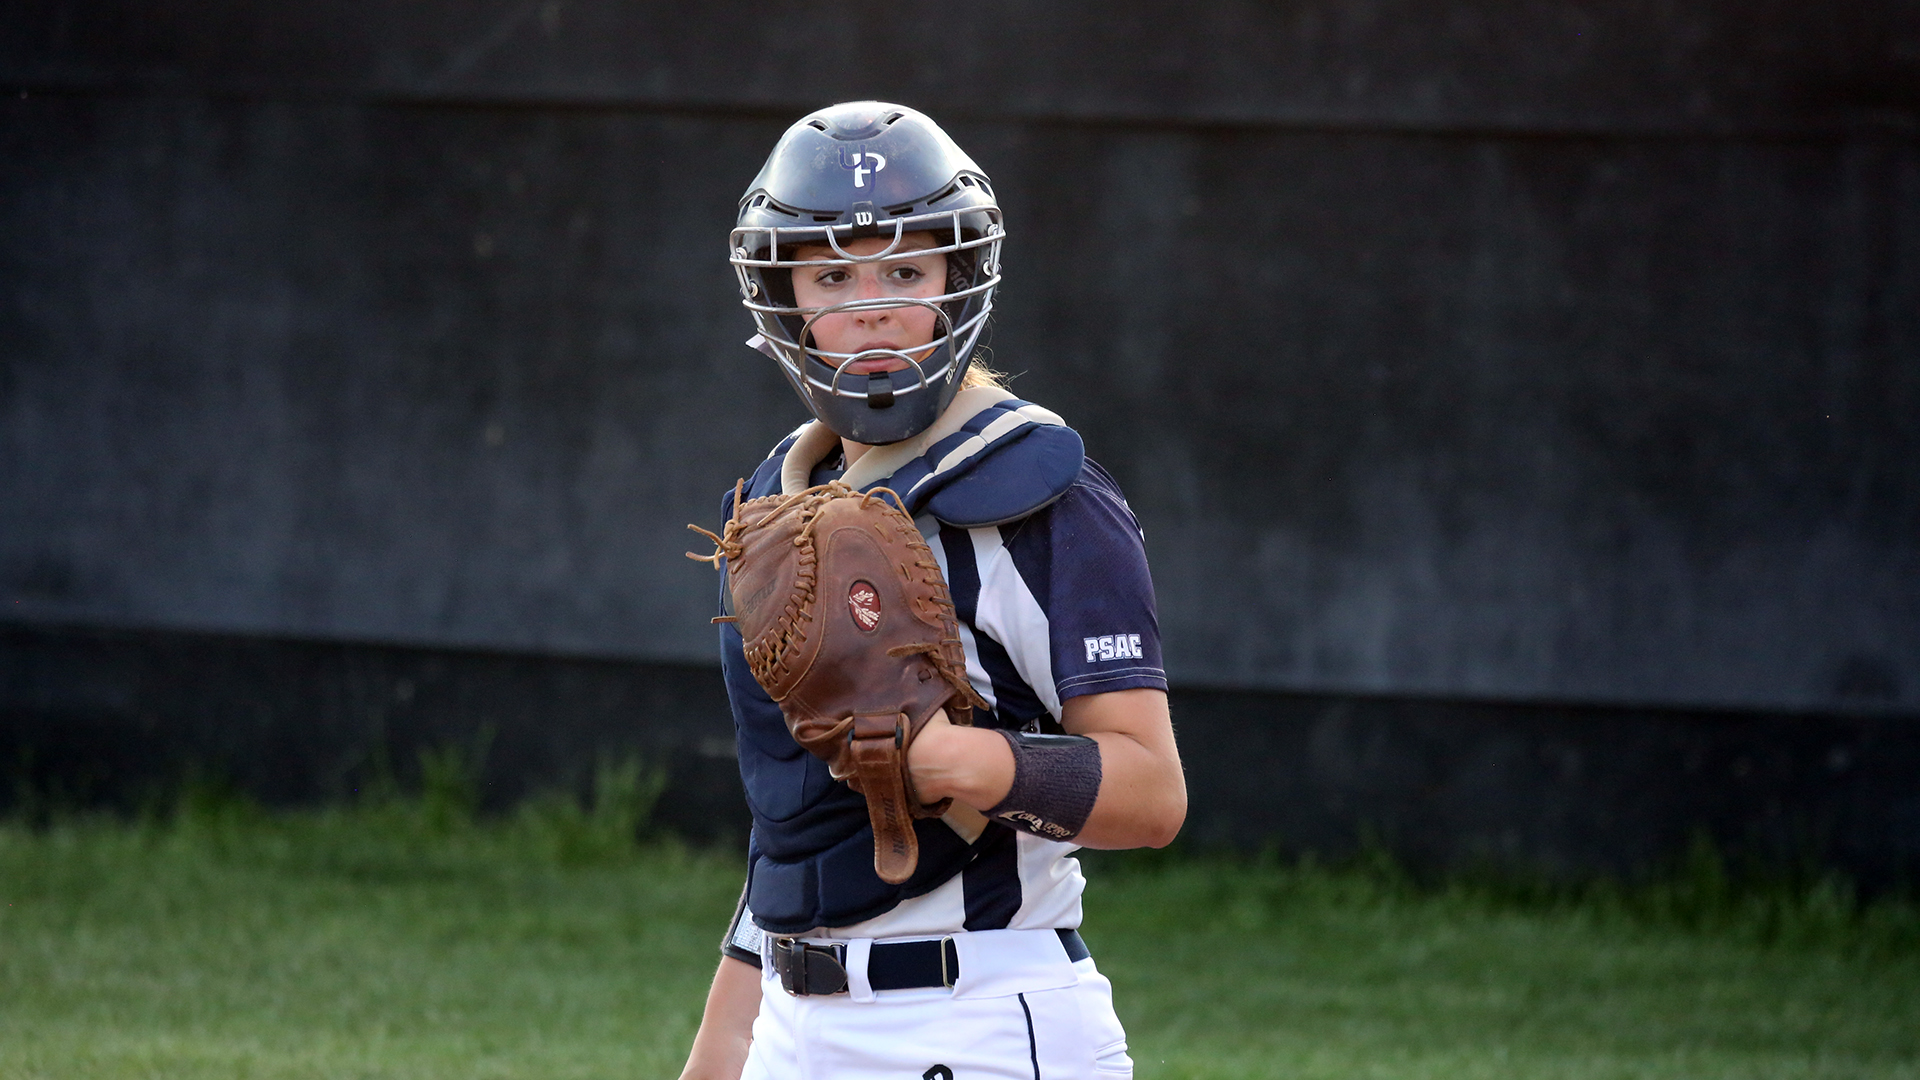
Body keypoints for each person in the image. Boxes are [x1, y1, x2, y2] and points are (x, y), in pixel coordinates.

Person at [678, 101, 1186, 1080]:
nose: (868, 306)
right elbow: (793, 820)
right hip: (796, 1023)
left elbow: (1152, 794)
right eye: (831, 275)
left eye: (904, 271)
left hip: (978, 1018)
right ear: (783, 297)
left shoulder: (1047, 492)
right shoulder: (782, 494)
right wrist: (724, 1045)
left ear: (959, 278)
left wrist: (962, 759)